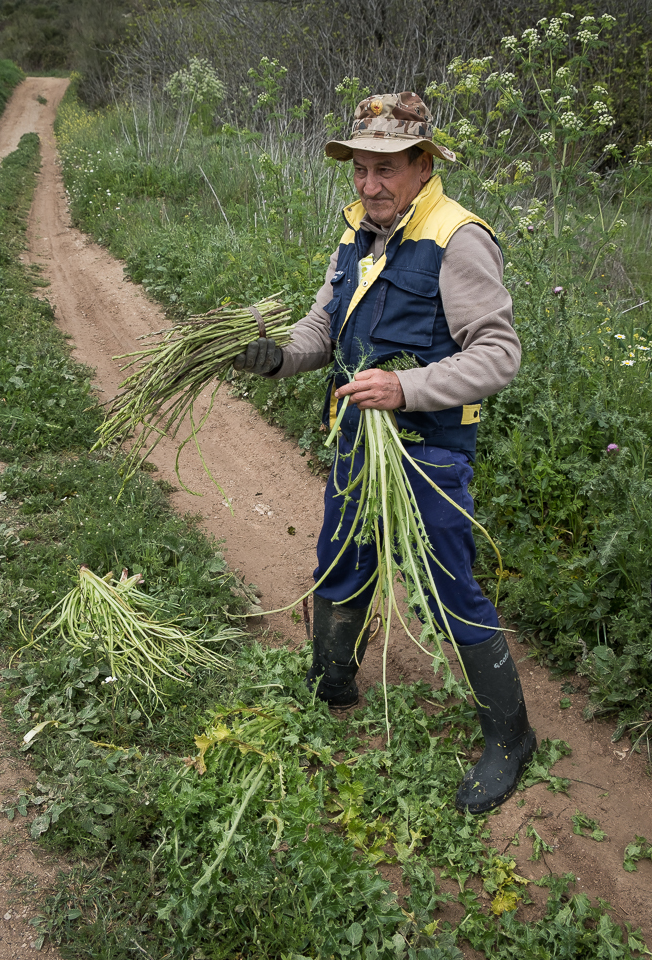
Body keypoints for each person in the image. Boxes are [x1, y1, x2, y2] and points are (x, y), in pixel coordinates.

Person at [233, 91, 536, 813]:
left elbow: (499, 355)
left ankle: (511, 736)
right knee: (341, 560)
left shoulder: (457, 239)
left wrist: (406, 388)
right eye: (362, 169)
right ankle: (330, 682)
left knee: (446, 588)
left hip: (428, 452)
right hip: (356, 444)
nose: (371, 185)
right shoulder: (356, 238)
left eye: (387, 170)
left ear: (423, 164)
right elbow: (321, 331)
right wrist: (271, 358)